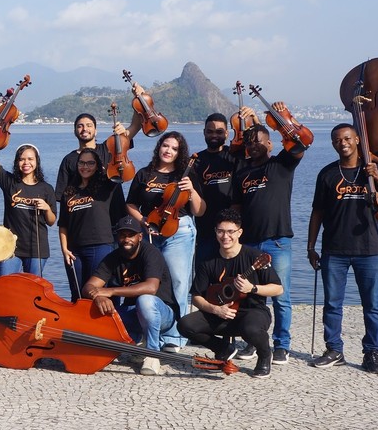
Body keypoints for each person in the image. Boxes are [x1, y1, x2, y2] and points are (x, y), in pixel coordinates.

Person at [307, 123, 378, 374]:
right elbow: (317, 212)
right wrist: (310, 247)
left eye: (347, 138)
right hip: (334, 250)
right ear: (333, 144)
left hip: (369, 250)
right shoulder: (327, 174)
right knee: (332, 303)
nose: (343, 143)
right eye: (337, 140)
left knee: (372, 304)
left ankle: (371, 352)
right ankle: (334, 349)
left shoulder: (374, 170)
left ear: (358, 139)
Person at [178, 208, 283, 378]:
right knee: (185, 324)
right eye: (220, 231)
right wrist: (215, 309)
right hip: (220, 314)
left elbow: (278, 288)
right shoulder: (209, 261)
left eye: (230, 232)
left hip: (252, 313)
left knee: (252, 329)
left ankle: (264, 355)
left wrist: (253, 288)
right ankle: (223, 348)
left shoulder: (255, 257)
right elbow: (196, 296)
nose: (225, 236)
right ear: (215, 232)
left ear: (239, 232)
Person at [232, 120, 305, 365]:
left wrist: (282, 119)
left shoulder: (281, 164)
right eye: (249, 142)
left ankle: (282, 345)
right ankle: (254, 341)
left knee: (281, 296)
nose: (253, 146)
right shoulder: (242, 172)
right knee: (252, 297)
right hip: (250, 243)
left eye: (258, 142)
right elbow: (237, 207)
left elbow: (300, 143)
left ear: (270, 144)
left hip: (278, 242)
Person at [125, 131, 205, 351]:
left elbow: (199, 210)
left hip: (179, 232)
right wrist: (143, 221)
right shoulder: (144, 174)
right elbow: (130, 204)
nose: (168, 151)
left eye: (174, 148)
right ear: (159, 147)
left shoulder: (185, 176)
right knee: (148, 281)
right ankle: (146, 330)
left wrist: (192, 192)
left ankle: (175, 336)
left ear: (180, 153)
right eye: (165, 146)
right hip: (150, 231)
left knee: (179, 282)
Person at [80, 216, 179, 376]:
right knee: (99, 311)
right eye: (122, 235)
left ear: (140, 237)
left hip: (163, 314)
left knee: (145, 300)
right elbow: (89, 286)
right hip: (134, 312)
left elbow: (151, 287)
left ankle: (152, 354)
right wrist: (98, 297)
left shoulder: (151, 253)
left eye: (131, 235)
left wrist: (111, 291)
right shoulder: (113, 258)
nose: (126, 239)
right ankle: (135, 344)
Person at [58, 147, 127, 301]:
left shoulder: (106, 187)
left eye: (90, 163)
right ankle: (79, 326)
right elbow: (63, 224)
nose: (85, 167)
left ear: (97, 166)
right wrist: (64, 249)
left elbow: (121, 171)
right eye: (82, 163)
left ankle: (105, 325)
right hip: (74, 251)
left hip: (100, 246)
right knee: (77, 294)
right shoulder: (69, 192)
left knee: (97, 294)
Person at [0, 143, 57, 277]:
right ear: (17, 162)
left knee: (33, 291)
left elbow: (51, 221)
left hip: (37, 248)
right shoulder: (9, 182)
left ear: (37, 161)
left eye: (30, 159)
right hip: (10, 247)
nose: (26, 162)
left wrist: (46, 208)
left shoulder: (46, 188)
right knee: (5, 286)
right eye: (22, 159)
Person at [193, 112, 247, 263]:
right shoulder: (196, 161)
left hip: (232, 233)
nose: (214, 135)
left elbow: (260, 147)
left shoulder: (236, 156)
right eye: (210, 131)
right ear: (204, 132)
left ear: (227, 133)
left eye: (219, 131)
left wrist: (253, 119)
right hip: (205, 232)